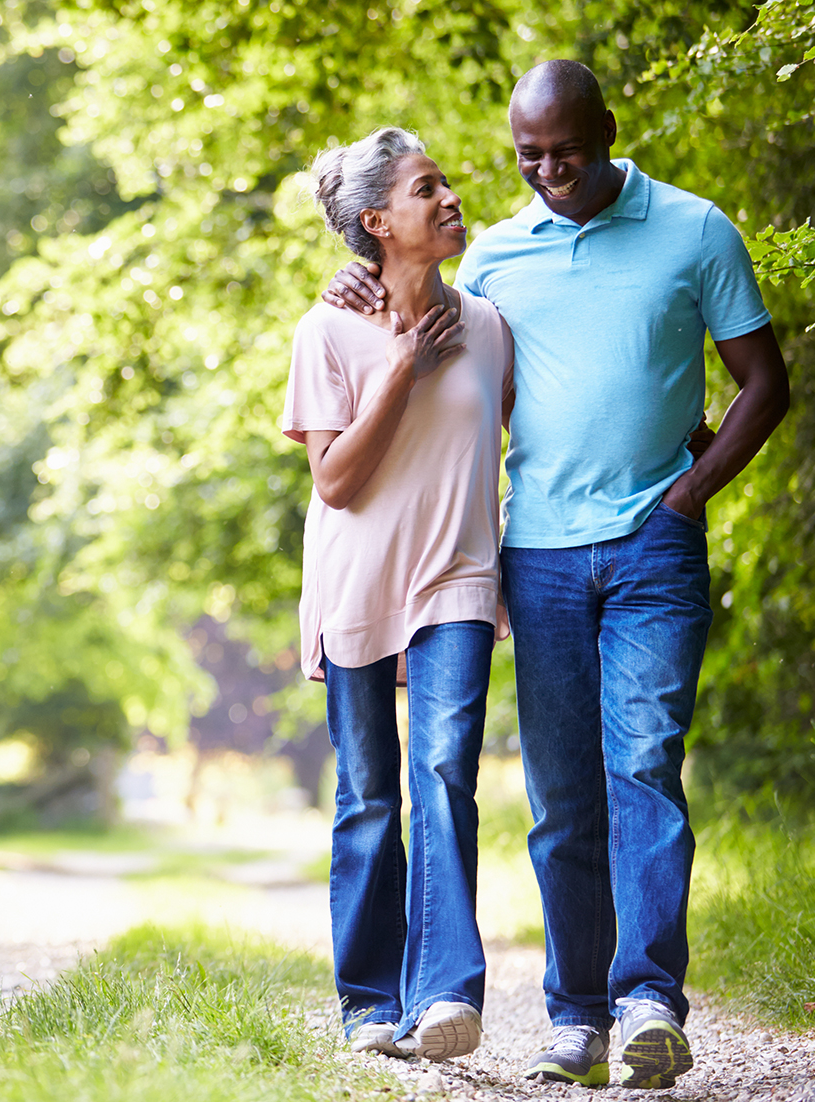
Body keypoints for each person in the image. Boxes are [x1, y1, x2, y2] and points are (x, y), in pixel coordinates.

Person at [324, 60, 789, 1089]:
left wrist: (690, 490)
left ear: (607, 132)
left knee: (643, 765)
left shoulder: (693, 230)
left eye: (564, 152)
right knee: (560, 795)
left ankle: (646, 1003)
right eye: (527, 156)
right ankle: (573, 1016)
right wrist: (356, 276)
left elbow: (765, 383)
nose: (547, 172)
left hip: (650, 546)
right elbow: (420, 334)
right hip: (533, 551)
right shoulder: (493, 257)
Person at [283, 127, 513, 1061]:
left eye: (446, 182)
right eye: (428, 188)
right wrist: (401, 368)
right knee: (371, 793)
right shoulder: (326, 330)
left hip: (458, 574)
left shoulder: (492, 325)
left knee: (446, 768)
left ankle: (446, 995)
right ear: (378, 221)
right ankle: (369, 1002)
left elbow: (535, 434)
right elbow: (335, 481)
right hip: (358, 586)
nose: (451, 196)